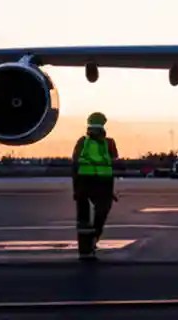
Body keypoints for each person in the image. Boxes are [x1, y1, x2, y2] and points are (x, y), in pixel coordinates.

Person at [71, 112, 119, 261]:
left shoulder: (106, 143)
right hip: (91, 184)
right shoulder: (87, 142)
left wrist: (76, 188)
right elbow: (76, 165)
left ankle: (89, 245)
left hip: (95, 184)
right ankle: (87, 247)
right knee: (89, 219)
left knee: (90, 218)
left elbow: (112, 166)